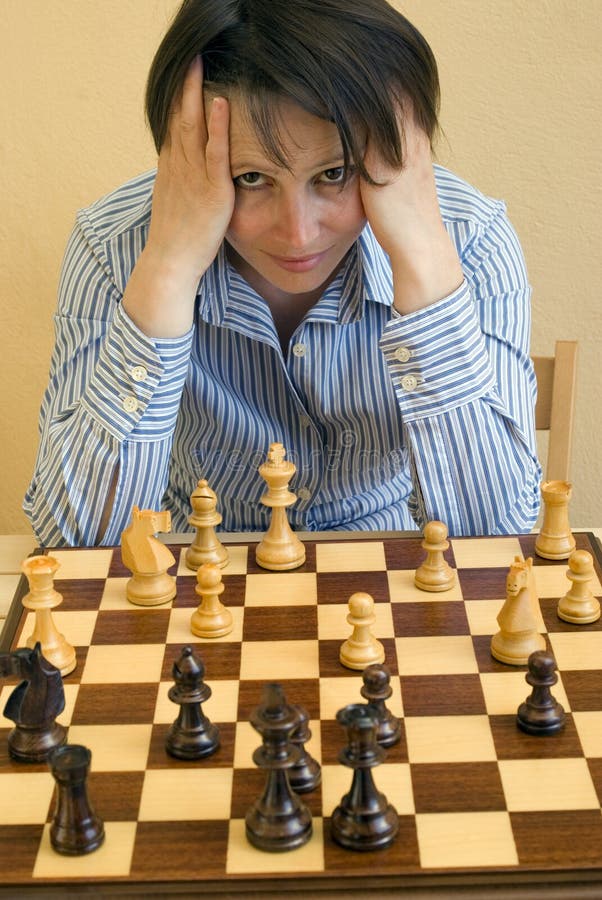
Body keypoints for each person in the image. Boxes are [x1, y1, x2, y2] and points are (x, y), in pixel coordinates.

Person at [24, 0, 542, 548]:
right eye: (250, 177)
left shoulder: (471, 241)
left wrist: (423, 263)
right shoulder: (113, 247)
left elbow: (499, 539)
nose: (298, 234)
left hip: (391, 584)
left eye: (334, 173)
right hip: (201, 575)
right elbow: (73, 546)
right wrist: (168, 268)